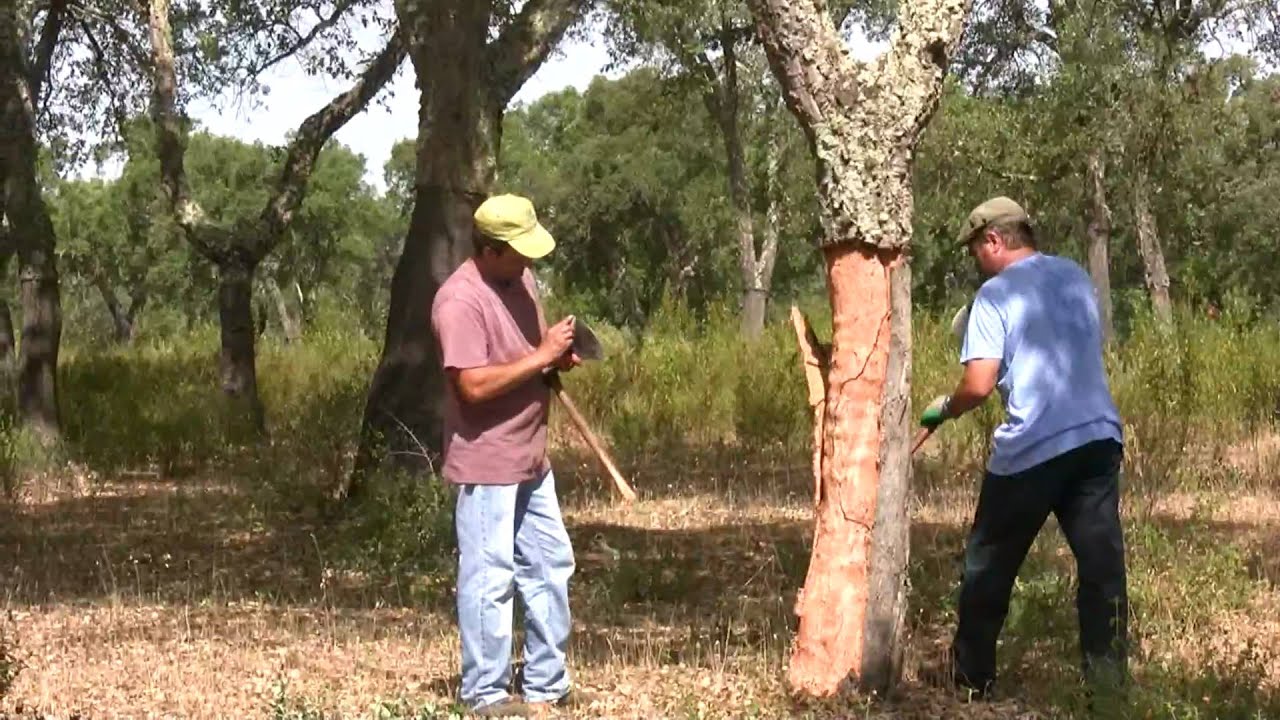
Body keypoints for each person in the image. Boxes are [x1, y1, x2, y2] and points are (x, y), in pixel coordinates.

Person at [921, 197, 1129, 700]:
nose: (976, 260)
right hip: (1098, 438)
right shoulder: (1076, 276)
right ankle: (1106, 687)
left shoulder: (993, 297)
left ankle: (970, 677)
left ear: (993, 241)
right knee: (1102, 571)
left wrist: (942, 408)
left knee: (987, 564)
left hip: (1033, 447)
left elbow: (978, 384)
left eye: (975, 249)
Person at [431, 194, 594, 717]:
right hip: (487, 462)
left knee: (550, 564)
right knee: (490, 577)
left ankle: (548, 683)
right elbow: (472, 388)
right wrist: (540, 355)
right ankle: (486, 695)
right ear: (489, 249)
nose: (529, 263)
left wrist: (553, 360)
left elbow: (523, 355)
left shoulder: (520, 280)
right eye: (518, 252)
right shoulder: (458, 302)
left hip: (531, 457)